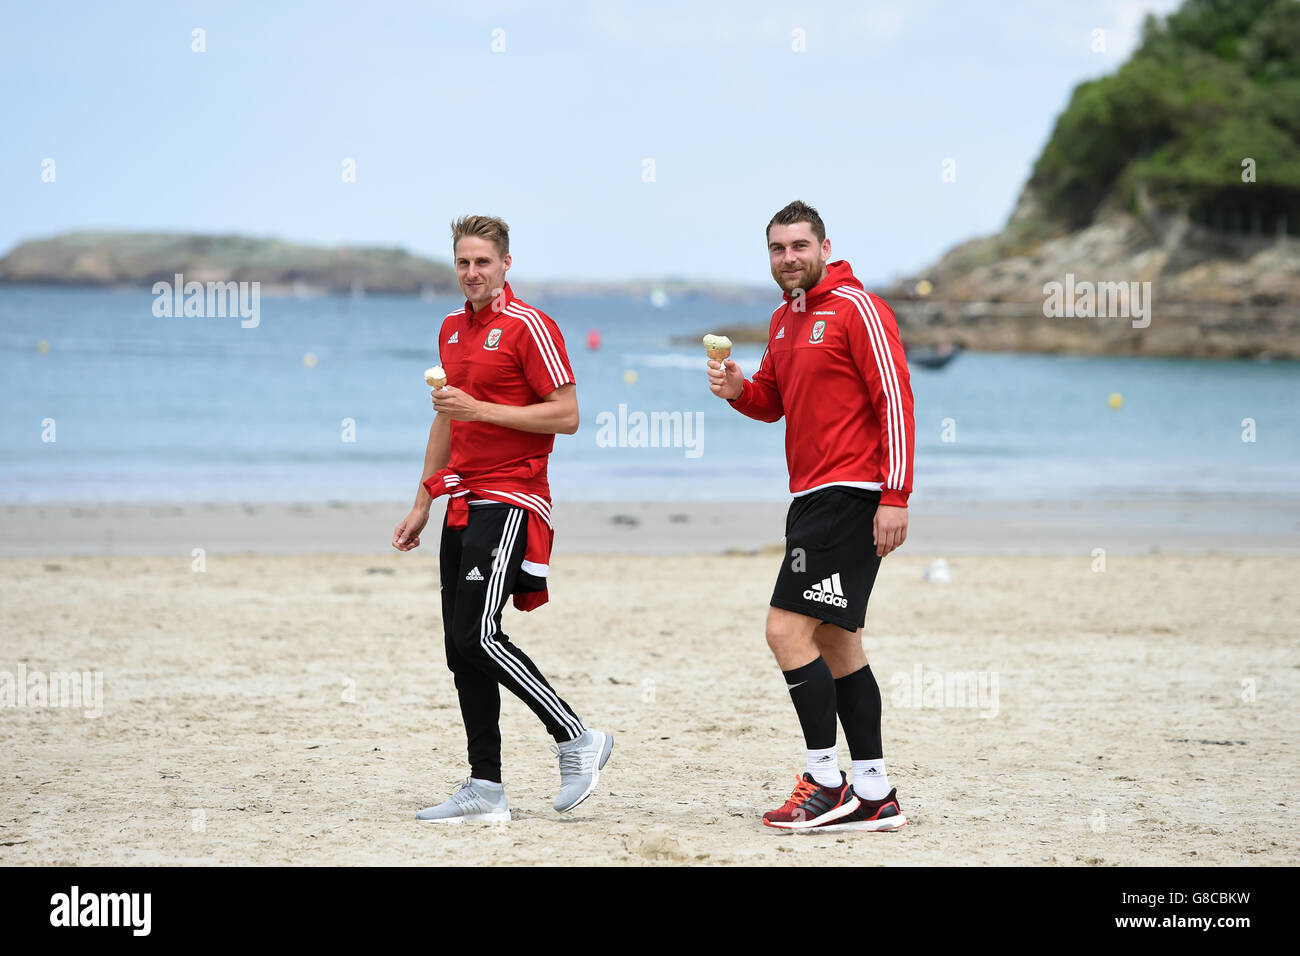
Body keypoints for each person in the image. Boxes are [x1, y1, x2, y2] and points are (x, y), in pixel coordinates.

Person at [393, 214, 611, 823]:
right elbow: (447, 419)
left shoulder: (529, 326)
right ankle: (485, 789)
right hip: (461, 499)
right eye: (462, 262)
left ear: (505, 264)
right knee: (458, 650)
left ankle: (577, 738)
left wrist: (479, 409)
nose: (471, 273)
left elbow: (565, 416)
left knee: (478, 636)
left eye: (482, 262)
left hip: (512, 496)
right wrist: (422, 500)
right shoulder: (449, 331)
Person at [706, 200, 914, 831]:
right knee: (835, 640)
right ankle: (874, 792)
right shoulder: (780, 320)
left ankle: (826, 780)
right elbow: (774, 403)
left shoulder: (858, 309)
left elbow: (895, 398)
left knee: (784, 632)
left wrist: (896, 495)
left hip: (851, 494)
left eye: (799, 246)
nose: (788, 258)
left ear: (825, 246)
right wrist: (740, 389)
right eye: (777, 249)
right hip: (810, 497)